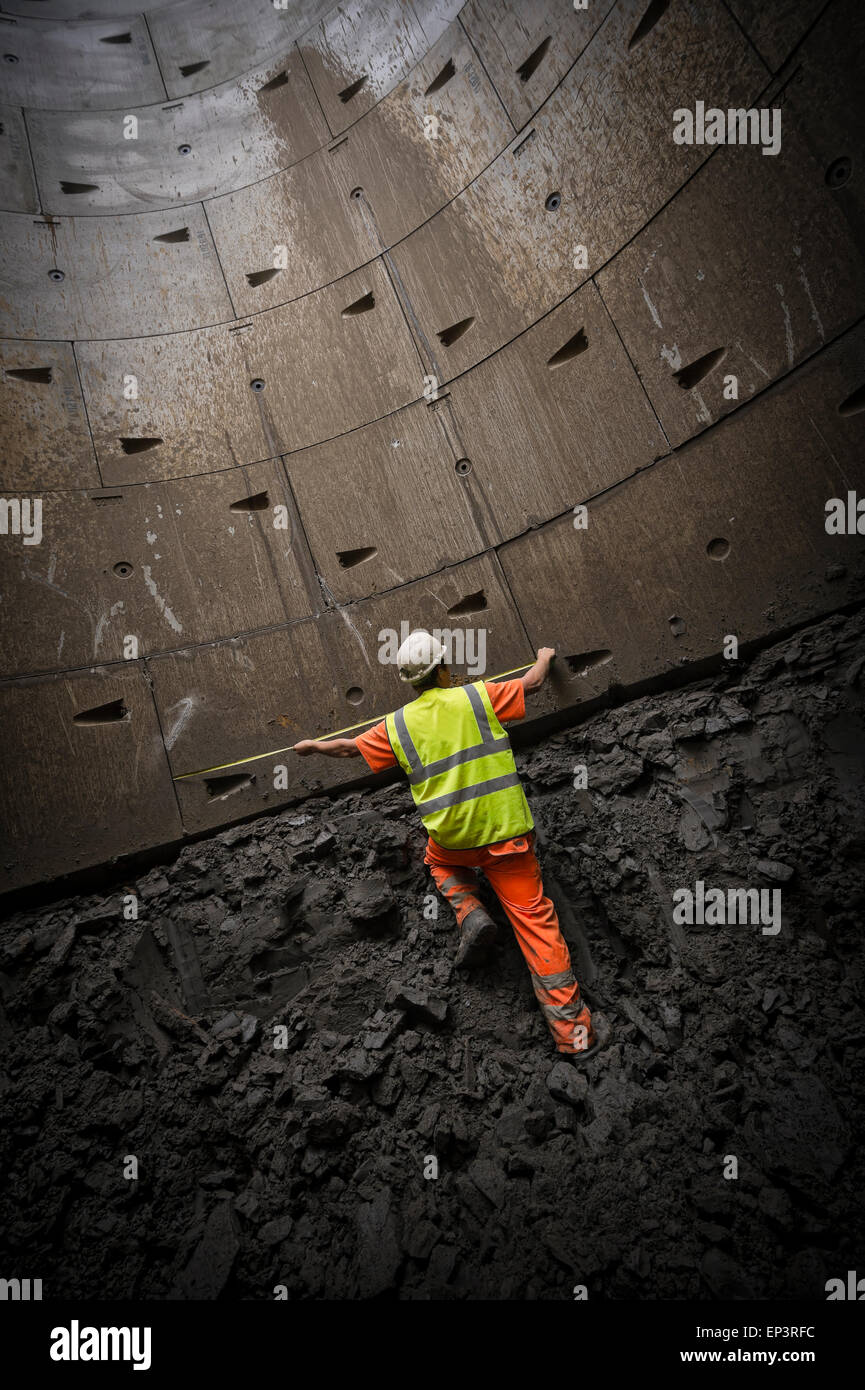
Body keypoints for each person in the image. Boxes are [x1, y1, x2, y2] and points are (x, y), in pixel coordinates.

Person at [293, 630, 609, 1061]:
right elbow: (533, 684)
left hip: (453, 842)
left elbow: (350, 750)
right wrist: (545, 655)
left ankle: (470, 911)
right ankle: (576, 1035)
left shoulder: (398, 726)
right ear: (441, 668)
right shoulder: (476, 697)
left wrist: (314, 747)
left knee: (437, 863)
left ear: (410, 681)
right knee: (536, 926)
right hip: (505, 838)